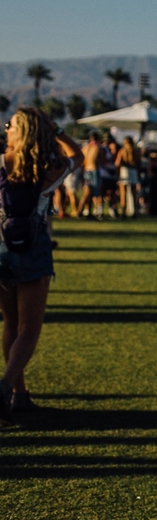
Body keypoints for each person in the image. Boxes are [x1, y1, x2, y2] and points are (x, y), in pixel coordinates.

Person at [0, 108, 73, 426]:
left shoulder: (3, 162)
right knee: (29, 329)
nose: (6, 128)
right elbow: (77, 155)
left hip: (1, 248)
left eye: (10, 125)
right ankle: (6, 387)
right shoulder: (51, 167)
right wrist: (55, 129)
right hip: (34, 249)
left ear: (20, 132)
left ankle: (20, 394)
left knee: (11, 323)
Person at [114, 135, 141, 217]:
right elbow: (139, 163)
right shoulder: (136, 151)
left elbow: (118, 163)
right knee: (134, 193)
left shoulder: (122, 150)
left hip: (124, 170)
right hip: (134, 171)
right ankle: (135, 211)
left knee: (123, 193)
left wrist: (117, 173)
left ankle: (123, 211)